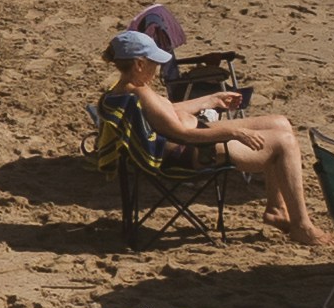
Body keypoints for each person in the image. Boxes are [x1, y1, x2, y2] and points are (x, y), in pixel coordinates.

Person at [103, 31, 322, 246]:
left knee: (279, 122)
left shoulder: (129, 88)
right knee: (285, 143)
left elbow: (168, 110)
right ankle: (302, 227)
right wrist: (234, 133)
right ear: (139, 64)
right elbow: (183, 134)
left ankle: (277, 209)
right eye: (154, 62)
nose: (157, 67)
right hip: (193, 150)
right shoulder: (139, 93)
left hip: (196, 137)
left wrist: (211, 100)